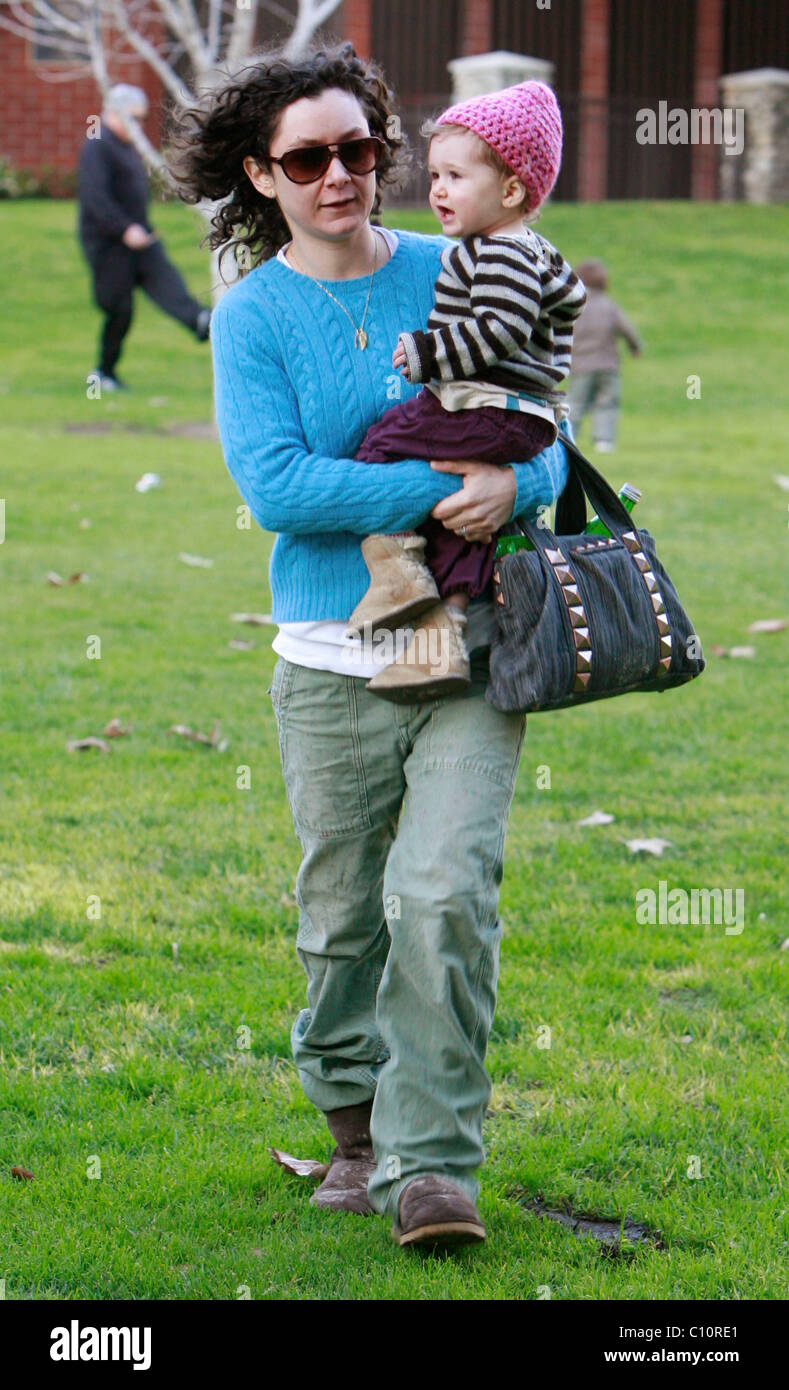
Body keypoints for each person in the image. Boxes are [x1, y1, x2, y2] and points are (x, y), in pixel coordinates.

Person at [169, 39, 575, 1251]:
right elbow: (284, 488)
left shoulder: (465, 267)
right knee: (343, 915)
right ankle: (353, 1125)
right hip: (332, 655)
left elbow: (547, 431)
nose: (340, 174)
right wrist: (446, 481)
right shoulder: (252, 316)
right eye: (309, 157)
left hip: (470, 638)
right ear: (263, 171)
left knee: (444, 894)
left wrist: (519, 482)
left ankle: (434, 1166)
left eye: (359, 149)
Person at [346, 80, 585, 700]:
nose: (438, 192)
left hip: (494, 407)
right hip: (513, 417)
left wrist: (425, 355)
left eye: (455, 176)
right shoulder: (505, 248)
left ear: (511, 191)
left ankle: (399, 574)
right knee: (467, 521)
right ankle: (444, 627)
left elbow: (499, 329)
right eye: (434, 176)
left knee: (385, 439)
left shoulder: (503, 252)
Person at [77, 84, 212, 393]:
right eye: (133, 118)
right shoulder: (97, 144)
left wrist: (137, 231)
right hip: (110, 243)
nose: (138, 125)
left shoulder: (124, 145)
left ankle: (200, 321)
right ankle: (103, 373)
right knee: (119, 309)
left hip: (140, 237)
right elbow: (96, 199)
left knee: (166, 280)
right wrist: (124, 230)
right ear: (114, 113)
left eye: (140, 119)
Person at [567, 257, 643, 452]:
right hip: (608, 365)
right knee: (607, 403)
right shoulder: (609, 306)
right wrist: (635, 347)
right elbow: (626, 329)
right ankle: (604, 441)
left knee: (575, 403)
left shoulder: (574, 306)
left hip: (581, 365)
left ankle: (569, 437)